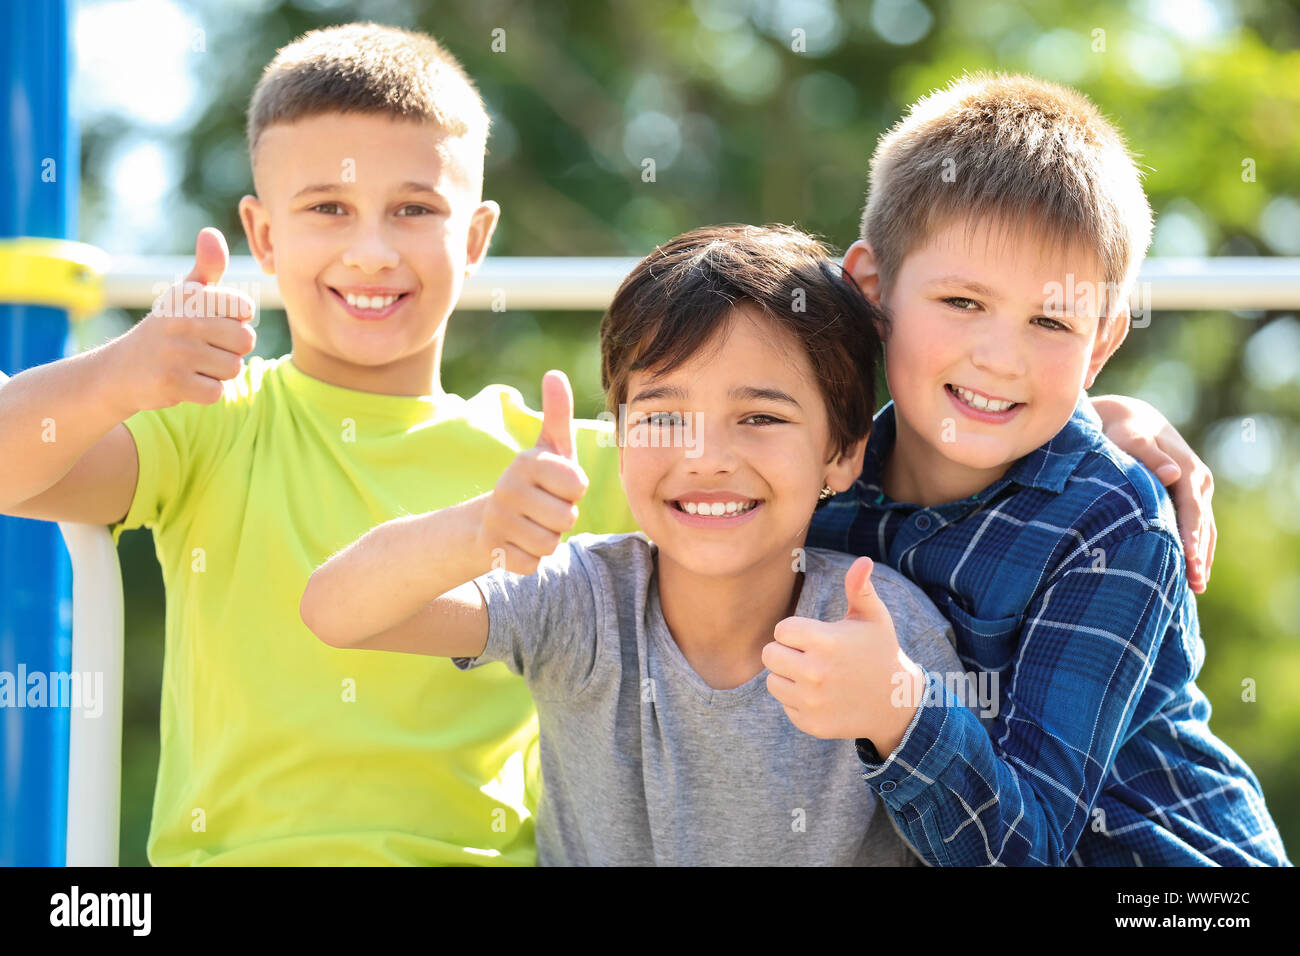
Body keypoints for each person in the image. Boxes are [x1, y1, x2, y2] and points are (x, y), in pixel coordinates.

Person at [0, 23, 1220, 864]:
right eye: (328, 210)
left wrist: (1090, 422)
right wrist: (122, 368)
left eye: (412, 210)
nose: (371, 249)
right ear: (261, 233)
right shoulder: (220, 425)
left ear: (474, 232)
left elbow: (760, 444)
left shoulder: (589, 464)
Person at [303, 224, 976, 865]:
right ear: (619, 438)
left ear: (843, 451)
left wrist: (895, 707)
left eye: (760, 417)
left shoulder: (887, 634)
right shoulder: (579, 599)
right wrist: (479, 531)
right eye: (663, 417)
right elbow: (335, 611)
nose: (706, 457)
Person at [792, 73, 1289, 866]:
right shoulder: (819, 492)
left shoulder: (1113, 521)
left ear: (1100, 345)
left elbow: (1032, 851)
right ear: (873, 290)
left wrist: (899, 708)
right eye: (962, 302)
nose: (1000, 360)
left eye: (1050, 320)